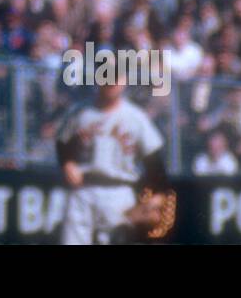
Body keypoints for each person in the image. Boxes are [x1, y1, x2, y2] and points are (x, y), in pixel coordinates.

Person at [57, 81, 167, 244]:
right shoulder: (80, 112)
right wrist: (67, 163)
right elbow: (62, 142)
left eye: (116, 76)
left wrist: (157, 194)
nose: (111, 82)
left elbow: (154, 160)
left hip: (119, 192)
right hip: (82, 190)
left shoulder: (135, 117)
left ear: (124, 81)